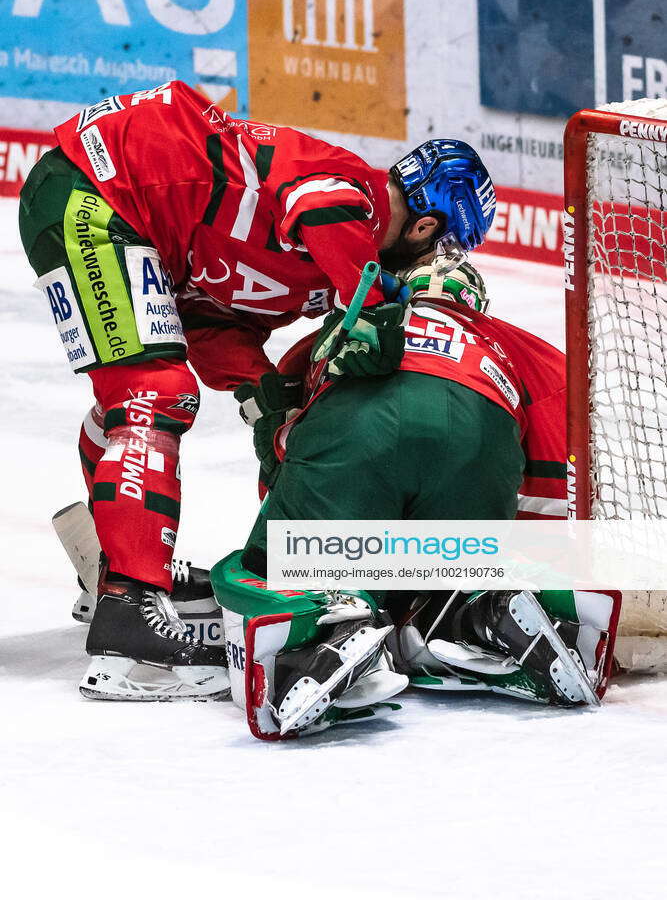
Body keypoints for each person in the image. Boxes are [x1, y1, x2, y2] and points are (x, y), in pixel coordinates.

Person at [18, 79, 496, 699]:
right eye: (443, 248)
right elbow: (316, 205)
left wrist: (264, 398)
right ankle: (128, 614)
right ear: (423, 227)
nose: (434, 266)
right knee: (152, 395)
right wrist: (374, 311)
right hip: (96, 194)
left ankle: (121, 567)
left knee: (137, 394)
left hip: (122, 217)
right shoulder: (353, 195)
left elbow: (210, 318)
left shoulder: (324, 276)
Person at [211, 260, 619, 737]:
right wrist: (529, 559)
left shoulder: (336, 331)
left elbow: (286, 447)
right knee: (441, 575)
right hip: (478, 438)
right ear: (477, 306)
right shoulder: (512, 343)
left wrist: (287, 544)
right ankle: (482, 612)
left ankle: (331, 625)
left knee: (281, 564)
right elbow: (555, 477)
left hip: (352, 436)